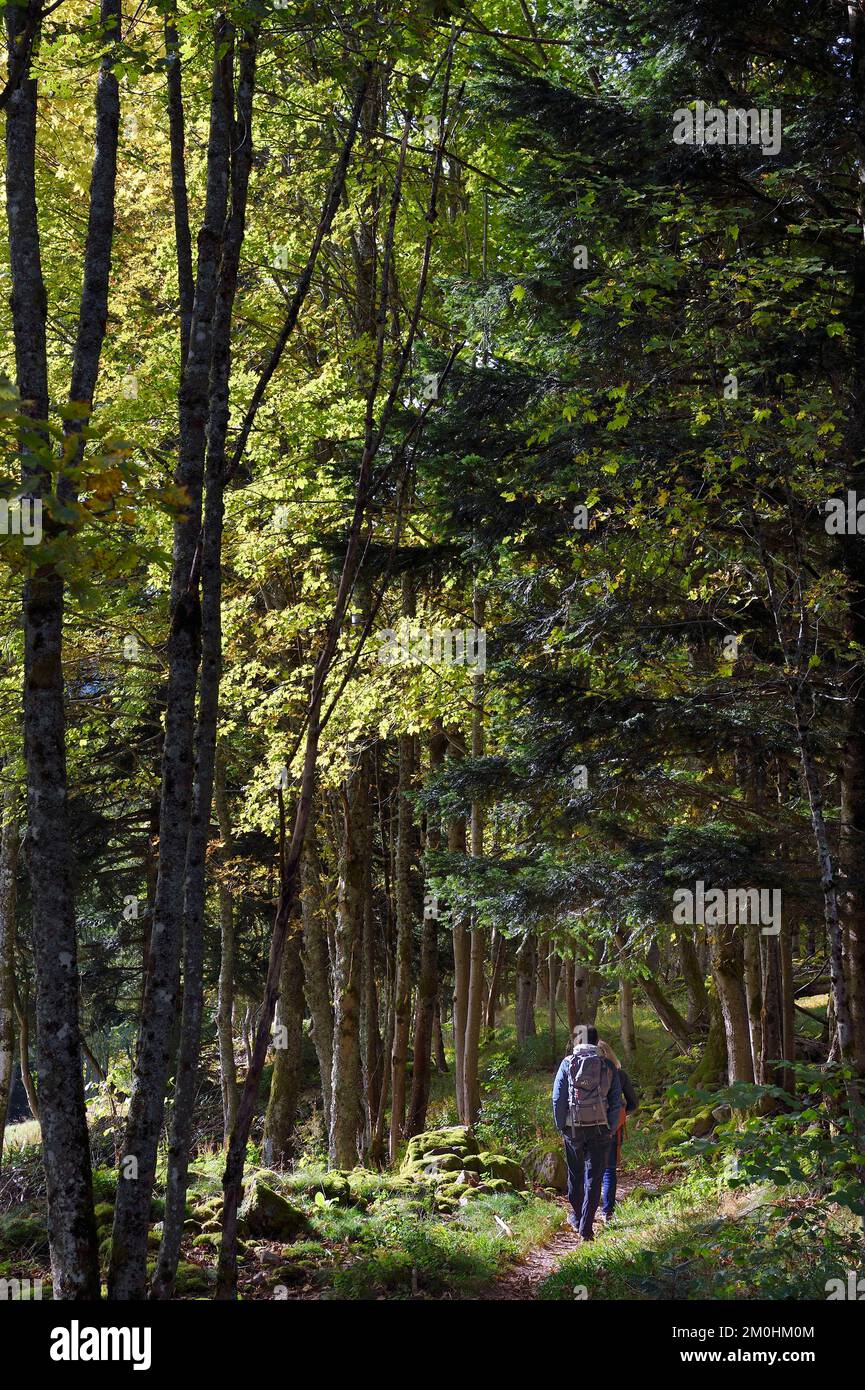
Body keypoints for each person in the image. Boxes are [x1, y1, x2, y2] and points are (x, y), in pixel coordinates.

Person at [552, 1024, 621, 1240]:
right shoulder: (607, 1065)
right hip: (600, 1129)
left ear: (577, 1041)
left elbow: (557, 1098)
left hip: (573, 1129)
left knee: (576, 1174)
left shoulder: (566, 1064)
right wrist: (610, 1127)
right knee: (595, 1177)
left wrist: (561, 1124)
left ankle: (578, 1216)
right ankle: (586, 1229)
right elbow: (615, 1100)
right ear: (596, 1040)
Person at [597, 1039, 639, 1225]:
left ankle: (586, 1212)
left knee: (589, 1169)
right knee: (609, 1170)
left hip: (585, 1126)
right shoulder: (619, 1075)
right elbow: (633, 1103)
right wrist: (622, 1114)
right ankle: (607, 1212)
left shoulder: (581, 1074)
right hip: (613, 1127)